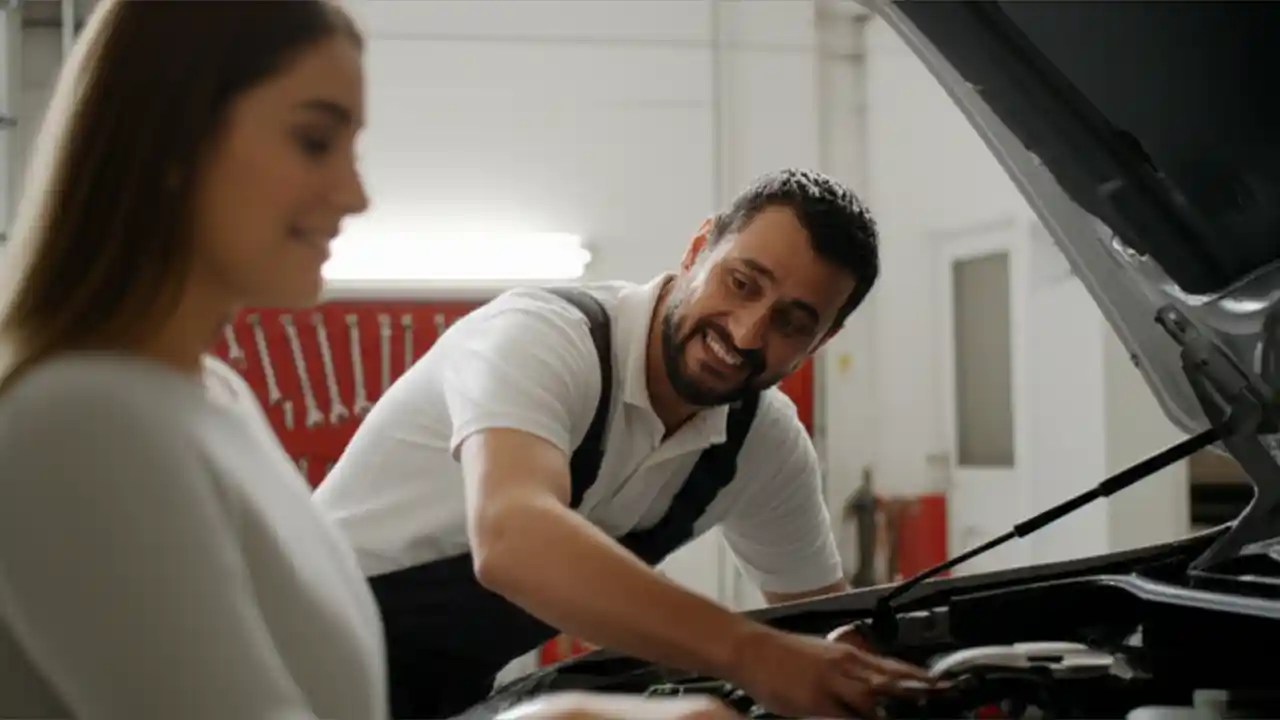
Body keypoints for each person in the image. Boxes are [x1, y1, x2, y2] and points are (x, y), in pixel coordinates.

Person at [314, 167, 932, 718]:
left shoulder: (762, 444)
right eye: (742, 283)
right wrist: (752, 654)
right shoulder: (542, 338)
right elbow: (512, 539)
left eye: (793, 322)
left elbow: (820, 622)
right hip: (277, 666)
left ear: (823, 339)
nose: (746, 334)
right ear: (698, 249)